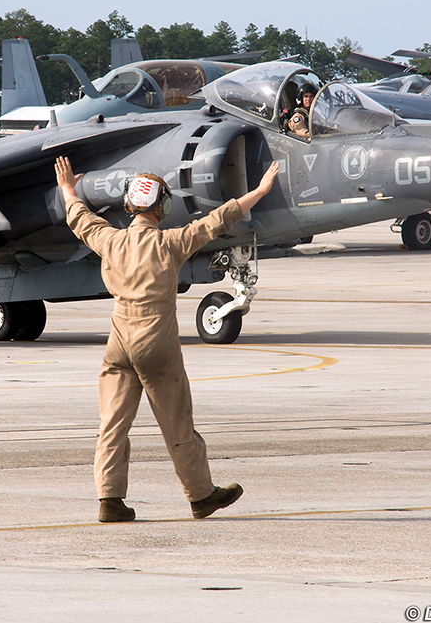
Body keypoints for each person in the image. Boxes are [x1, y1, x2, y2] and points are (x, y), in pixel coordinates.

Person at [54, 155, 280, 522]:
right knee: (177, 422)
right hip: (155, 338)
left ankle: (109, 500)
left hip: (119, 338)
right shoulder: (171, 242)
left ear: (129, 206)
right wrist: (260, 190)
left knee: (113, 424)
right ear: (164, 207)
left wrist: (67, 186)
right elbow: (217, 221)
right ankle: (201, 495)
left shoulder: (110, 240)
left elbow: (79, 217)